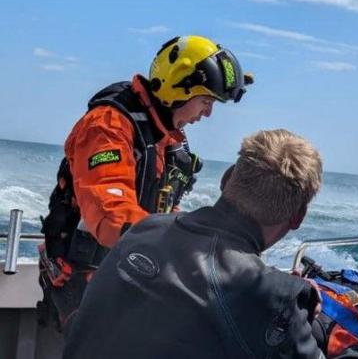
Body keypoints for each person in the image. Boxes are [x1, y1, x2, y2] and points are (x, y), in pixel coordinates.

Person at [37, 35, 252, 329]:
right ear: (178, 88)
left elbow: (163, 207)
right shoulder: (108, 126)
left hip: (130, 269)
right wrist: (180, 247)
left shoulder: (167, 139)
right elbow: (110, 213)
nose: (208, 113)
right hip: (85, 277)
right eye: (205, 101)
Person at [63, 129, 325, 359]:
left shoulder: (144, 228)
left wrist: (280, 291)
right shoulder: (276, 297)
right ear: (298, 217)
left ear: (226, 179)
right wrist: (289, 304)